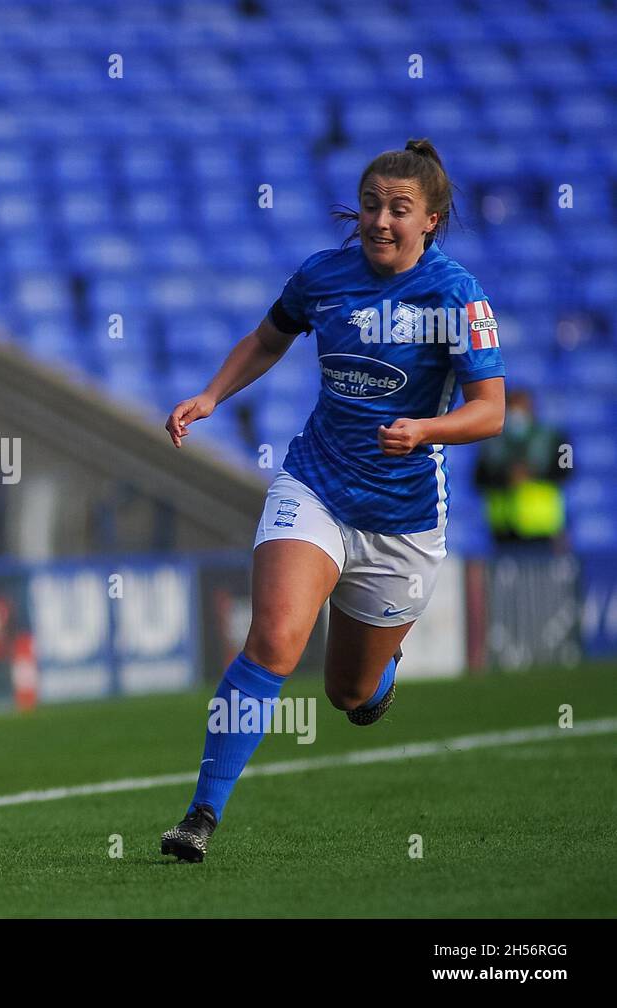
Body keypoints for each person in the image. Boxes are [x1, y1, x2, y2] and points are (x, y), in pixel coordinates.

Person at [160, 139, 506, 862]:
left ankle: (376, 678)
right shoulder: (323, 276)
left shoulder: (456, 296)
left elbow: (491, 412)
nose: (381, 221)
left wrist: (427, 429)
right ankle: (200, 816)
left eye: (399, 210)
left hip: (404, 519)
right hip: (314, 484)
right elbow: (267, 339)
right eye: (372, 205)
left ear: (432, 220)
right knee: (275, 641)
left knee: (348, 694)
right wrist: (210, 395)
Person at [474, 388, 570, 548]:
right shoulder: (492, 442)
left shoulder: (554, 438)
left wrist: (533, 473)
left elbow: (566, 471)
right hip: (503, 527)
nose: (516, 413)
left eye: (521, 407)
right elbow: (478, 479)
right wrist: (506, 476)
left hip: (541, 526)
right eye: (512, 407)